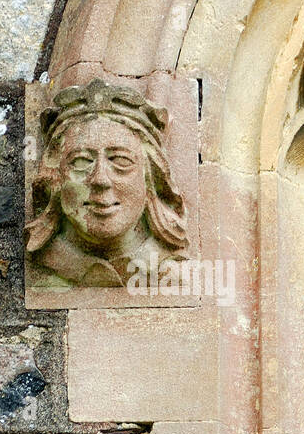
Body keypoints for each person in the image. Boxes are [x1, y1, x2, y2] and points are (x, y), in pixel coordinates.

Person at [26, 80, 189, 289]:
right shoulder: (47, 264)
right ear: (55, 179)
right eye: (81, 162)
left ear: (151, 180)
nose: (100, 179)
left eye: (120, 161)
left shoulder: (173, 273)